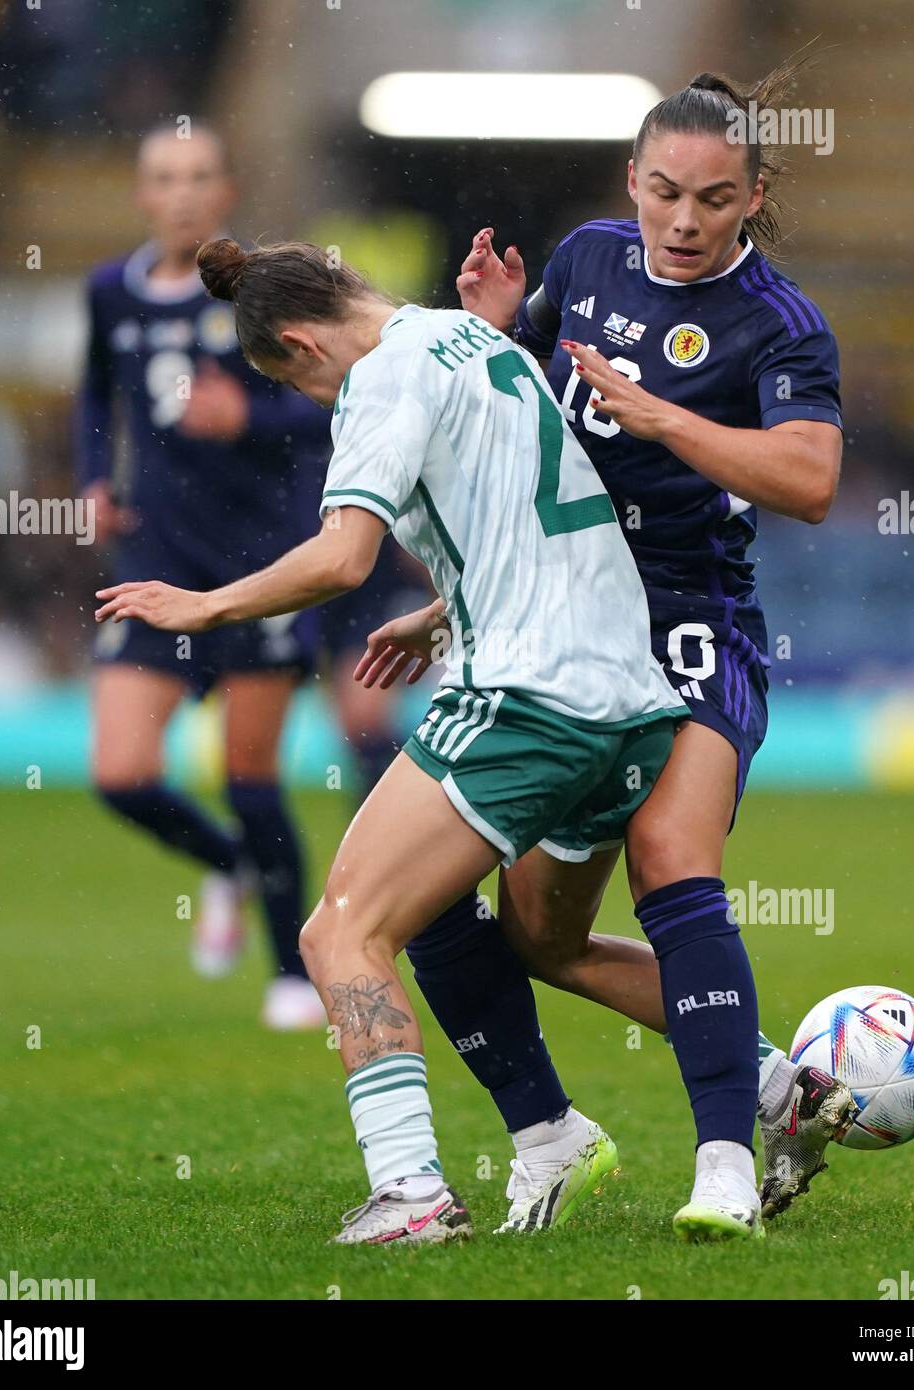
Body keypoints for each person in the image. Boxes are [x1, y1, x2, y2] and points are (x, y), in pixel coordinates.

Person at [95, 236, 694, 1244]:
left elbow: (342, 556)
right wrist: (440, 611)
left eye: (301, 379)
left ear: (296, 341)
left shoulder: (380, 378)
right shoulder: (470, 334)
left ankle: (411, 1193)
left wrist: (205, 604)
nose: (322, 400)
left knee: (339, 931)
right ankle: (768, 1082)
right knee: (523, 935)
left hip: (526, 695)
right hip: (625, 694)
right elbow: (516, 509)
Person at [368, 61, 857, 1230]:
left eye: (715, 198)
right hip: (558, 622)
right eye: (663, 191)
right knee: (527, 929)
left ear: (753, 195)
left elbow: (813, 479)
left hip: (690, 628)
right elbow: (527, 434)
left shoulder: (780, 323)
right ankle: (778, 1087)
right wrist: (492, 336)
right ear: (631, 180)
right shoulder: (586, 260)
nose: (684, 221)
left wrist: (667, 418)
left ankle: (725, 1173)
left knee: (671, 857)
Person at [77, 124, 329, 1030]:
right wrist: (94, 480)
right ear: (142, 194)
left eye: (198, 177)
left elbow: (327, 405)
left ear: (226, 192)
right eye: (163, 178)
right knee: (121, 772)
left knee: (250, 774)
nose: (181, 194)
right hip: (157, 559)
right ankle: (229, 863)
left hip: (260, 560)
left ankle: (292, 971)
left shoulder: (262, 295)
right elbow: (93, 393)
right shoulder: (110, 291)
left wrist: (248, 418)